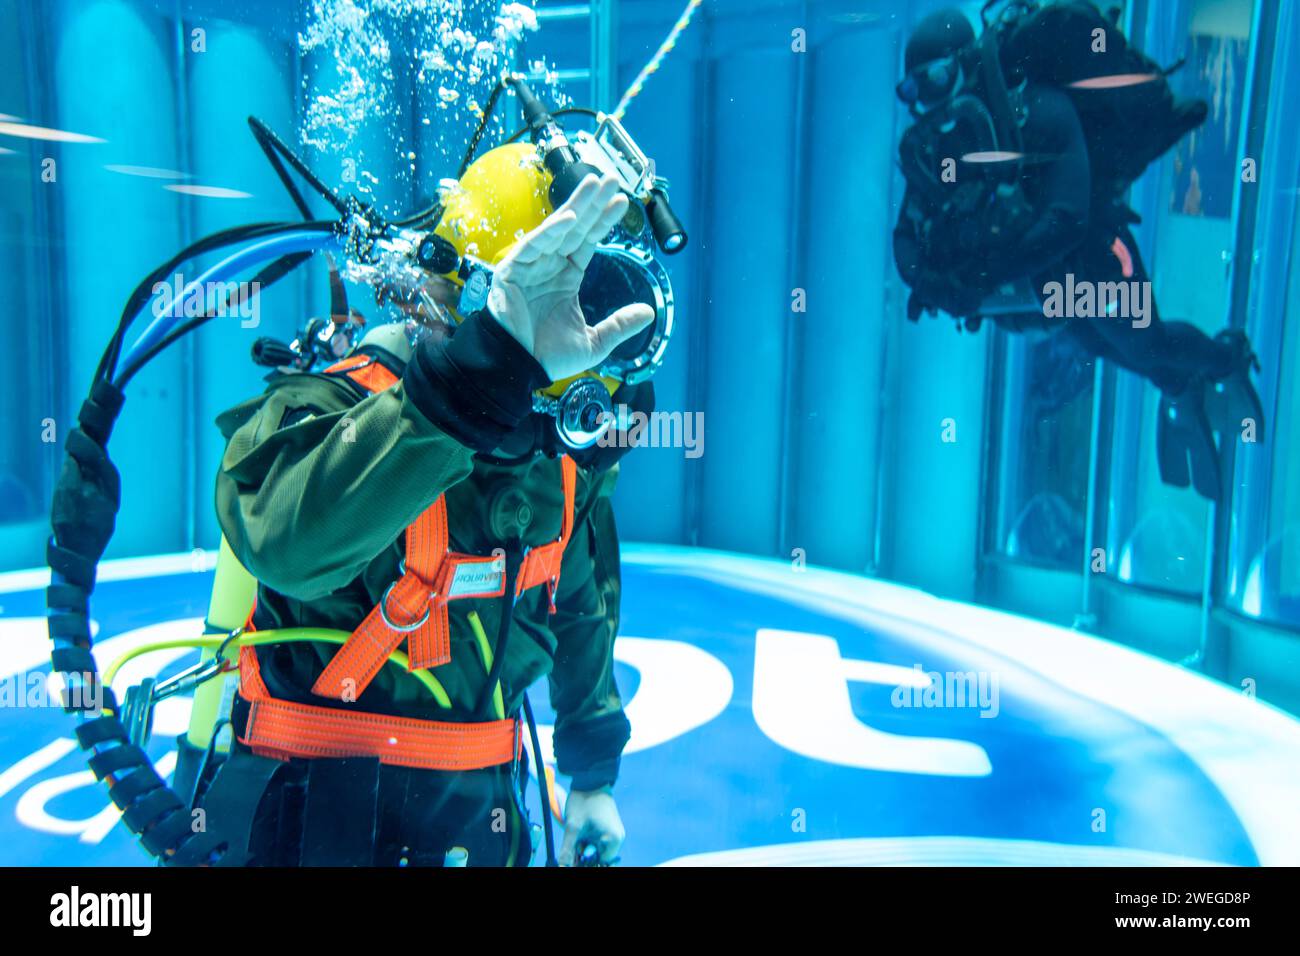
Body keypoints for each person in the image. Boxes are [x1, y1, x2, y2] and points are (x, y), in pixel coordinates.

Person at [204, 164, 654, 866]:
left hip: (480, 822)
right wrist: (456, 399)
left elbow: (576, 601)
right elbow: (279, 540)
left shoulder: (559, 458)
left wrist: (593, 776)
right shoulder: (331, 412)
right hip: (311, 822)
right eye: (560, 293)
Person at [892, 4, 1263, 499]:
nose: (929, 101)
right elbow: (907, 234)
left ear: (967, 63)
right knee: (1105, 346)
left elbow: (1068, 221)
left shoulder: (1037, 109)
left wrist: (980, 275)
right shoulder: (935, 152)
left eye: (936, 79)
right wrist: (934, 282)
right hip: (1039, 288)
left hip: (1095, 258)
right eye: (915, 90)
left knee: (1143, 343)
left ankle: (1224, 358)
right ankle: (1181, 388)